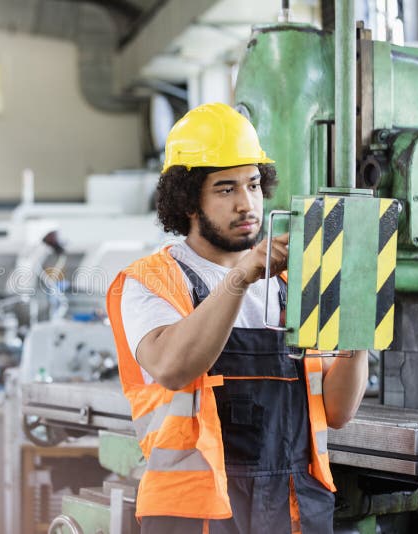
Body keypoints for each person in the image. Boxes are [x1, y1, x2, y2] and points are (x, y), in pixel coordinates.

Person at [106, 102, 368, 533]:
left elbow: (336, 411)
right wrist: (242, 277)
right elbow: (173, 367)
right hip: (198, 514)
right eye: (226, 189)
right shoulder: (151, 281)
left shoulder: (292, 285)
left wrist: (360, 329)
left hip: (292, 509)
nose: (247, 204)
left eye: (253, 185)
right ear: (189, 201)